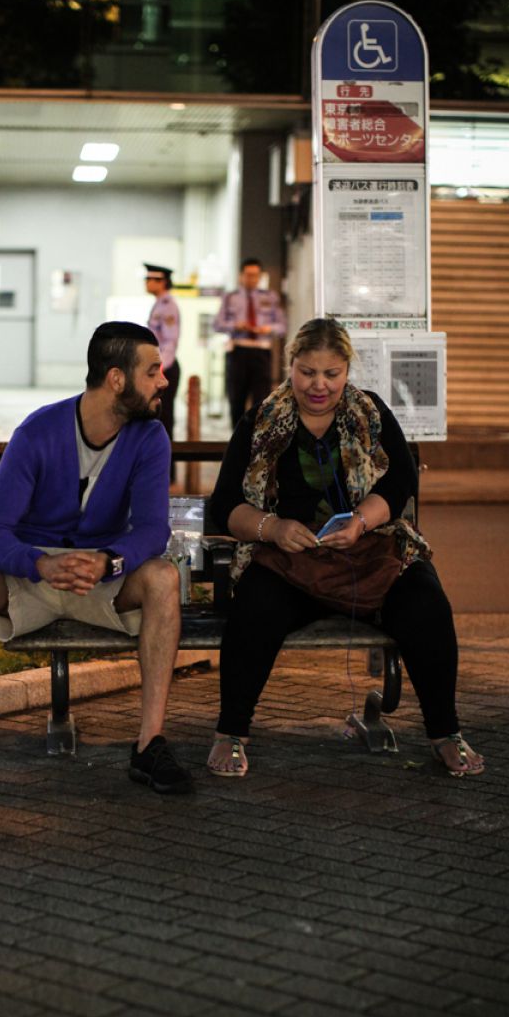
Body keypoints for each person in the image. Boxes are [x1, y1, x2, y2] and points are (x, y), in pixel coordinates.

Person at [205, 316, 484, 781]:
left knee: (426, 604)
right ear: (290, 365)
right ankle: (230, 732)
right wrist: (272, 529)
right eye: (307, 372)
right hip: (289, 561)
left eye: (331, 374)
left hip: (368, 554)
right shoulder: (261, 421)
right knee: (253, 608)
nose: (319, 385)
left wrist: (359, 522)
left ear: (347, 371)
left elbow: (400, 483)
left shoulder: (370, 413)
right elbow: (226, 504)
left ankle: (445, 732)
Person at [0, 321, 193, 799]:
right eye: (153, 371)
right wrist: (40, 564)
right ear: (117, 379)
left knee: (162, 578)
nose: (163, 381)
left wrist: (110, 562)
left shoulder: (150, 438)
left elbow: (154, 530)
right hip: (34, 577)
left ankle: (149, 743)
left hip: (104, 576)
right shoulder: (37, 433)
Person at [214, 257, 287, 429]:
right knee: (236, 398)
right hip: (239, 349)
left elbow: (282, 326)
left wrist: (267, 329)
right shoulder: (230, 297)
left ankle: (258, 439)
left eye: (255, 275)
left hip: (261, 352)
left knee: (261, 400)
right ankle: (236, 438)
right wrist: (235, 325)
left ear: (260, 276)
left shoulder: (270, 297)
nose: (251, 279)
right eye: (247, 275)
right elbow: (217, 324)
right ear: (241, 276)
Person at [144, 263, 181, 453]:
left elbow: (169, 342)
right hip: (159, 366)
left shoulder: (167, 306)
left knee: (164, 419)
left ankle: (169, 470)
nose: (146, 283)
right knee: (158, 417)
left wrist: (158, 370)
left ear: (162, 282)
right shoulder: (159, 303)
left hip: (165, 367)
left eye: (150, 279)